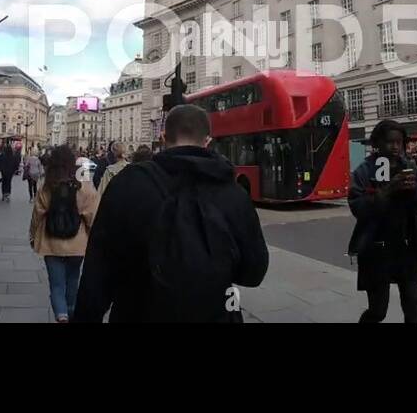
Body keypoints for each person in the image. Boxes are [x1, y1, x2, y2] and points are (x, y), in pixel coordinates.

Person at [73, 105, 268, 323]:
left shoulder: (128, 183)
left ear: (164, 137)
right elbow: (254, 271)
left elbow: (98, 271)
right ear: (207, 142)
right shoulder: (234, 193)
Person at [348, 120, 417, 324]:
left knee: (413, 308)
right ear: (378, 144)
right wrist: (388, 191)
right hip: (377, 251)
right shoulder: (365, 171)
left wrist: (413, 192)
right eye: (390, 142)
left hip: (408, 248)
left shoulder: (409, 167)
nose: (395, 147)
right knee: (378, 310)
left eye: (399, 142)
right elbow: (358, 207)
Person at [29, 145, 99, 322]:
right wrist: (94, 239)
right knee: (73, 281)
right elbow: (92, 216)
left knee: (57, 285)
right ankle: (71, 311)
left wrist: (32, 235)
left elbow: (37, 214)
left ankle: (61, 317)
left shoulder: (47, 186)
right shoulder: (83, 185)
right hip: (77, 244)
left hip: (51, 244)